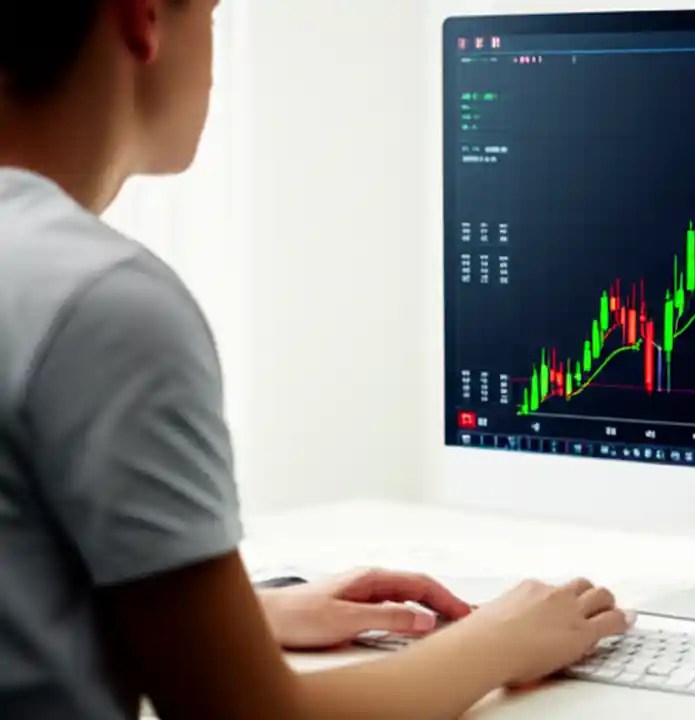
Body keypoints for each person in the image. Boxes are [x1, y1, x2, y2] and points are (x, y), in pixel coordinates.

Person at [0, 1, 632, 718]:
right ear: (144, 18)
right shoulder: (102, 303)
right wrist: (502, 641)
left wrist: (244, 617)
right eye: (212, 14)